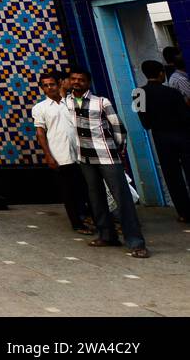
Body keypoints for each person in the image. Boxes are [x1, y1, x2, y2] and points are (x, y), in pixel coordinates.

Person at [67, 71, 148, 258]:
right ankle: (107, 235)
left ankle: (136, 241)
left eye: (81, 80)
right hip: (84, 157)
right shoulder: (67, 103)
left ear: (88, 82)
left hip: (106, 156)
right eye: (74, 79)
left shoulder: (101, 102)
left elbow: (118, 127)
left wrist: (118, 149)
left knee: (122, 198)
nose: (77, 83)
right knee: (95, 197)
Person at [31, 70, 90, 233]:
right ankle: (77, 223)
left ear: (59, 84)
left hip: (81, 153)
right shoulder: (40, 108)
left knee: (87, 188)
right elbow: (40, 133)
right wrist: (48, 155)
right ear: (42, 89)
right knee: (68, 192)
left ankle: (92, 218)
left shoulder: (71, 103)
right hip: (60, 155)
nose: (50, 88)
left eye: (52, 84)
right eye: (46, 86)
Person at [136, 60, 190, 222]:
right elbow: (186, 116)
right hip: (182, 135)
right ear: (161, 73)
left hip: (161, 137)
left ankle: (184, 212)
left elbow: (144, 122)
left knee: (172, 176)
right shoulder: (173, 92)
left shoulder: (137, 93)